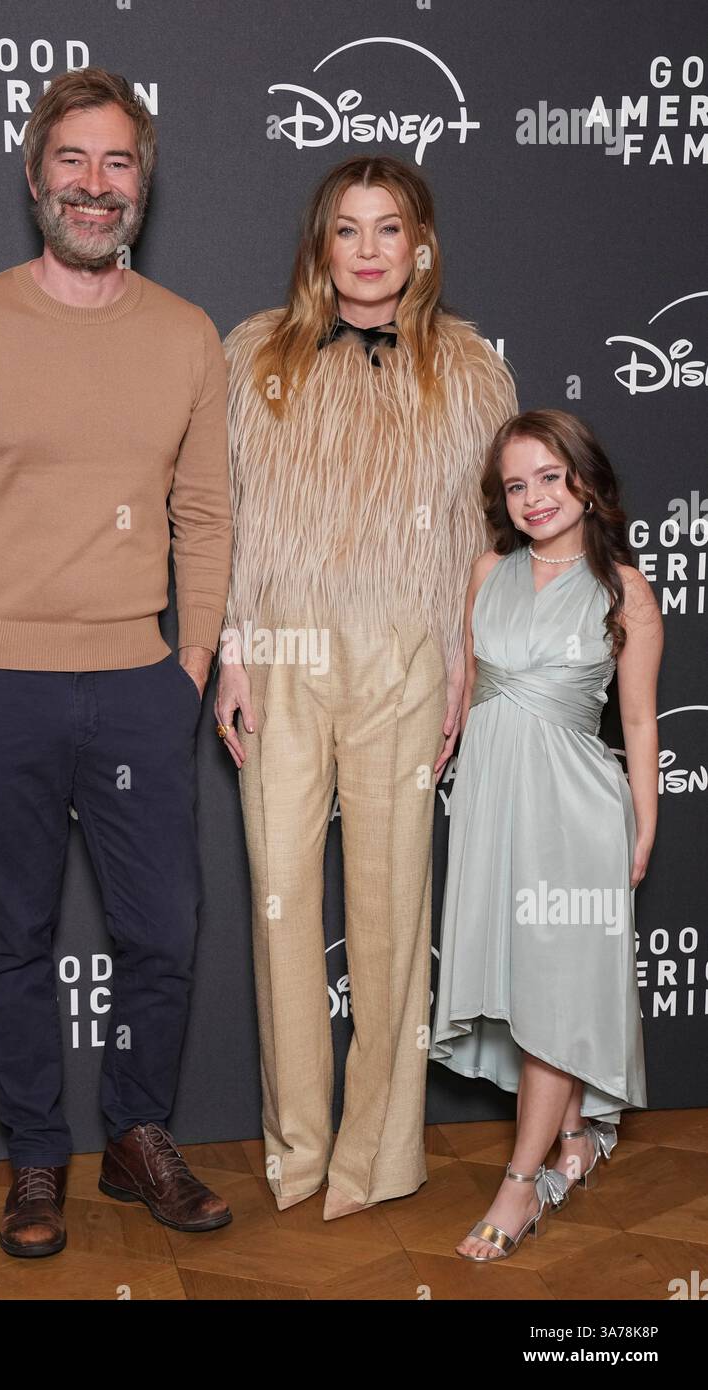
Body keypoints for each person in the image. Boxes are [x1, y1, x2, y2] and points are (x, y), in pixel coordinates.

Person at [0, 67, 233, 1257]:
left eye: (117, 163)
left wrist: (186, 659)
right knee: (15, 936)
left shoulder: (186, 334)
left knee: (164, 930)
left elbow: (204, 515)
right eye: (73, 162)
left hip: (139, 686)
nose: (94, 186)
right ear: (36, 176)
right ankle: (37, 1158)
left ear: (142, 183)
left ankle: (137, 1135)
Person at [215, 154, 519, 1219]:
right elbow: (229, 521)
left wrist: (458, 663)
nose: (367, 250)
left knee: (392, 908)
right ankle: (296, 1152)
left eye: (387, 229)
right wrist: (231, 651)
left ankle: (380, 1156)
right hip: (283, 648)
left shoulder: (474, 372)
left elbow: (483, 541)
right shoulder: (252, 355)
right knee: (280, 900)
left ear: (419, 243)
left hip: (403, 649)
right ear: (320, 245)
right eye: (347, 230)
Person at [430, 408, 662, 1260]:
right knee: (528, 979)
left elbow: (638, 723)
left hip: (575, 815)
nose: (532, 498)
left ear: (586, 481)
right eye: (515, 485)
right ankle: (577, 1139)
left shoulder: (624, 591)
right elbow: (471, 688)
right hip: (494, 808)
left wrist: (642, 828)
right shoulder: (487, 568)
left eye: (549, 478)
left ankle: (520, 1186)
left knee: (558, 987)